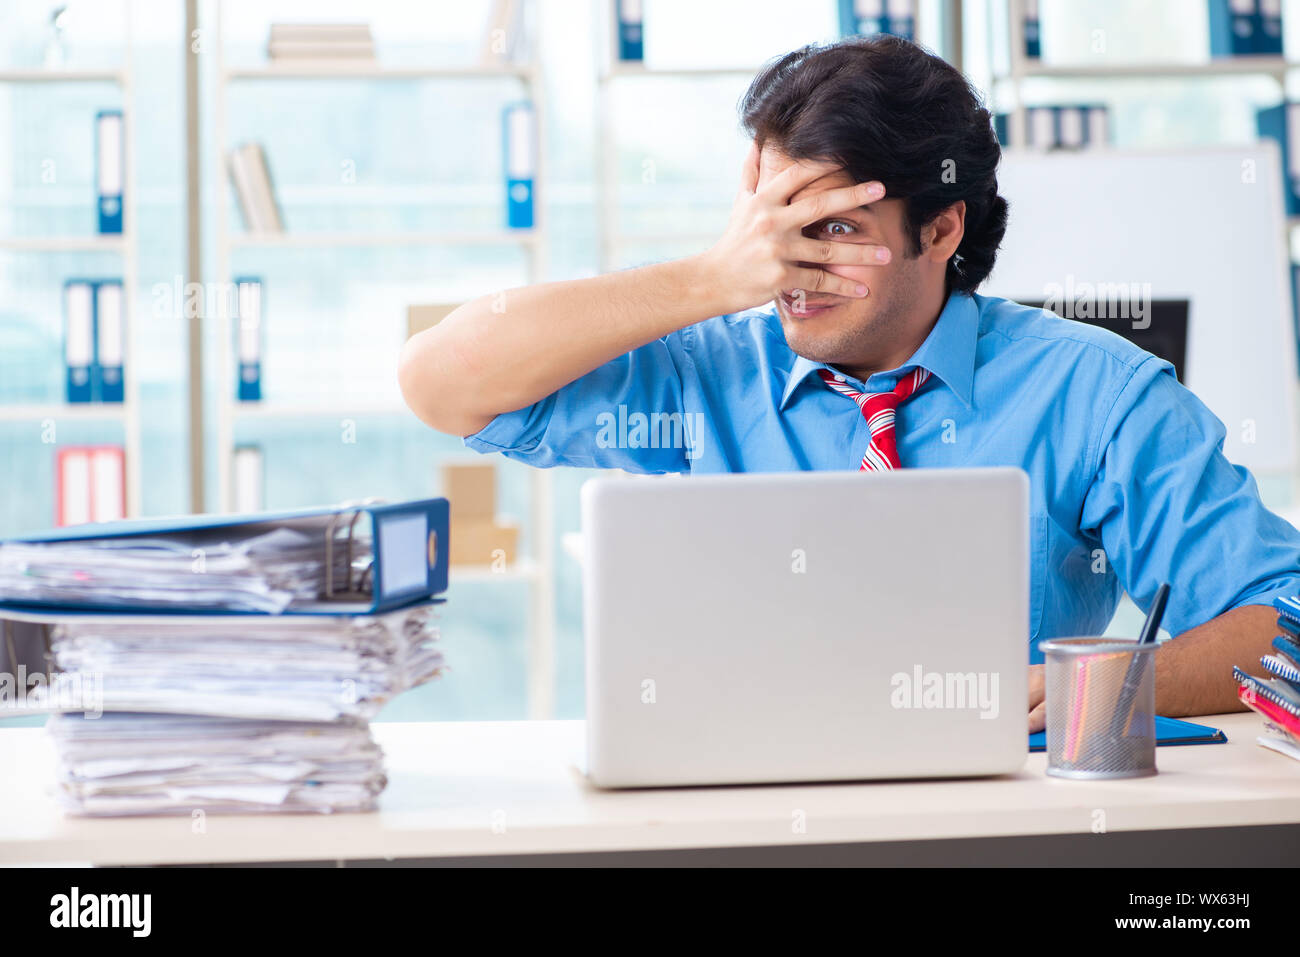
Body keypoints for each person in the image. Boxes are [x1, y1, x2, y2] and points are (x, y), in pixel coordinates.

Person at [399, 35, 1300, 731]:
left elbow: (1284, 625)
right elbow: (442, 381)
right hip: (739, 814)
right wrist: (712, 277)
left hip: (1003, 823)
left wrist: (1094, 686)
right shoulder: (705, 369)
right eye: (769, 221)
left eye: (829, 228)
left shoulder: (1096, 395)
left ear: (942, 229)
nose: (788, 263)